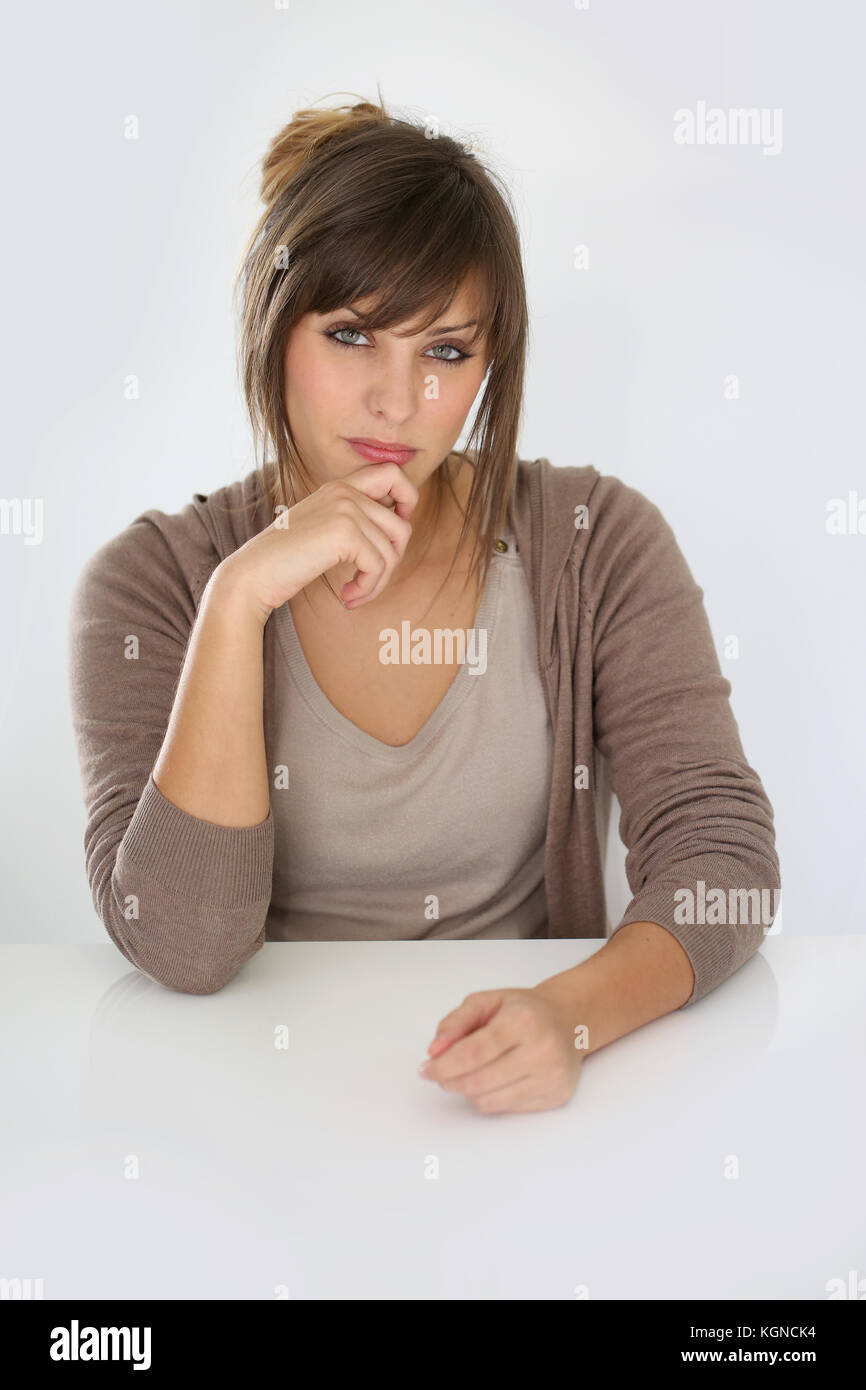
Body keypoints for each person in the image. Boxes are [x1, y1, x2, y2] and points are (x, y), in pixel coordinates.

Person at [68, 91, 781, 1115]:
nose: (397, 404)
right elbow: (179, 943)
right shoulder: (154, 583)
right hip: (245, 1102)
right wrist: (237, 605)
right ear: (271, 331)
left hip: (516, 1101)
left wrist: (569, 1012)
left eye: (446, 351)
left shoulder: (593, 540)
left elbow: (721, 858)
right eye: (352, 335)